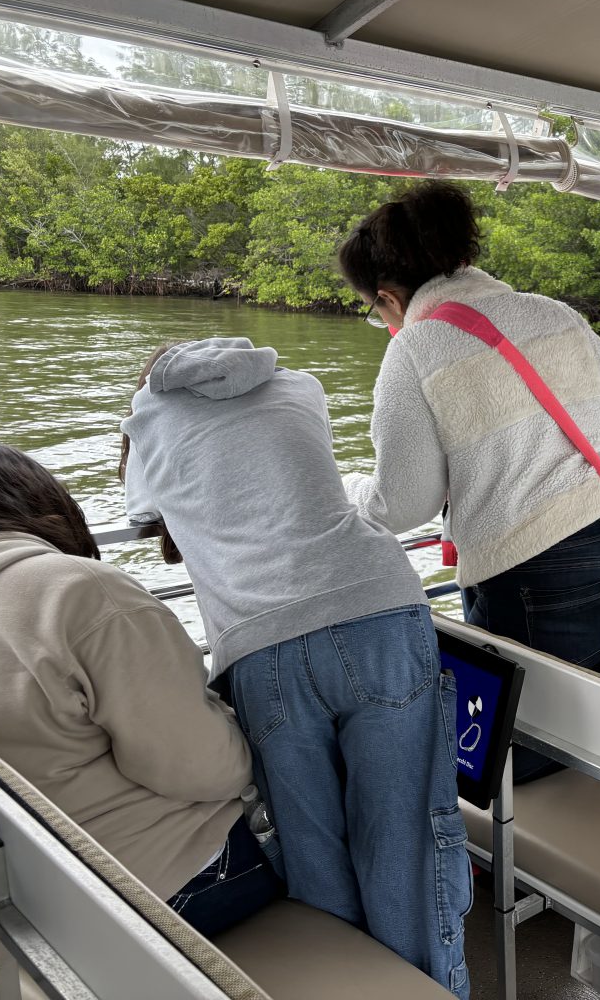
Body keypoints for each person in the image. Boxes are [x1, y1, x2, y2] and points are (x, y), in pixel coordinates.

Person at [119, 338, 471, 998]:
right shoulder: (299, 386)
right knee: (408, 844)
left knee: (314, 857)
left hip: (261, 644)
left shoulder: (146, 423)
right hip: (377, 608)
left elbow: (149, 517)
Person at [0, 441, 276, 938]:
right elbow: (205, 772)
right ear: (40, 502)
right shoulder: (79, 593)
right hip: (166, 884)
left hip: (25, 885)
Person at [337, 181, 600, 780]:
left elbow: (401, 503)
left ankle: (531, 872)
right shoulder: (557, 314)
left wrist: (351, 489)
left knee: (520, 767)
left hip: (540, 575)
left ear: (388, 297)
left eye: (375, 308)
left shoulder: (414, 349)